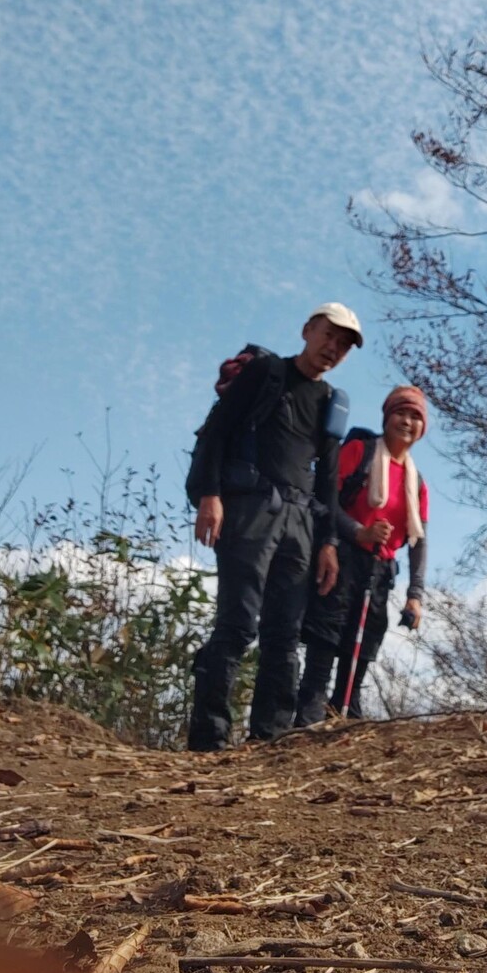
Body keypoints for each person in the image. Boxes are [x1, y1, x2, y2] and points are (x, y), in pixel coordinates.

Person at [187, 303, 363, 751]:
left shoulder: (331, 402)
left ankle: (271, 737)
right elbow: (216, 434)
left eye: (343, 345)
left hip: (303, 522)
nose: (333, 348)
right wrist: (210, 496)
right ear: (307, 330)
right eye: (329, 336)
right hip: (250, 510)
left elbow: (327, 477)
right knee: (238, 622)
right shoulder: (266, 373)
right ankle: (209, 739)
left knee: (286, 631)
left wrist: (327, 543)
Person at [296, 385, 429, 724]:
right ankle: (308, 719)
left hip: (381, 569)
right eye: (401, 413)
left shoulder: (417, 482)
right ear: (387, 417)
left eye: (416, 417)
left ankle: (345, 717)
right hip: (341, 555)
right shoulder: (360, 451)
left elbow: (419, 540)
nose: (407, 421)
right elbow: (325, 500)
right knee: (326, 638)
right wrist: (360, 531)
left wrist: (415, 595)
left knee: (365, 643)